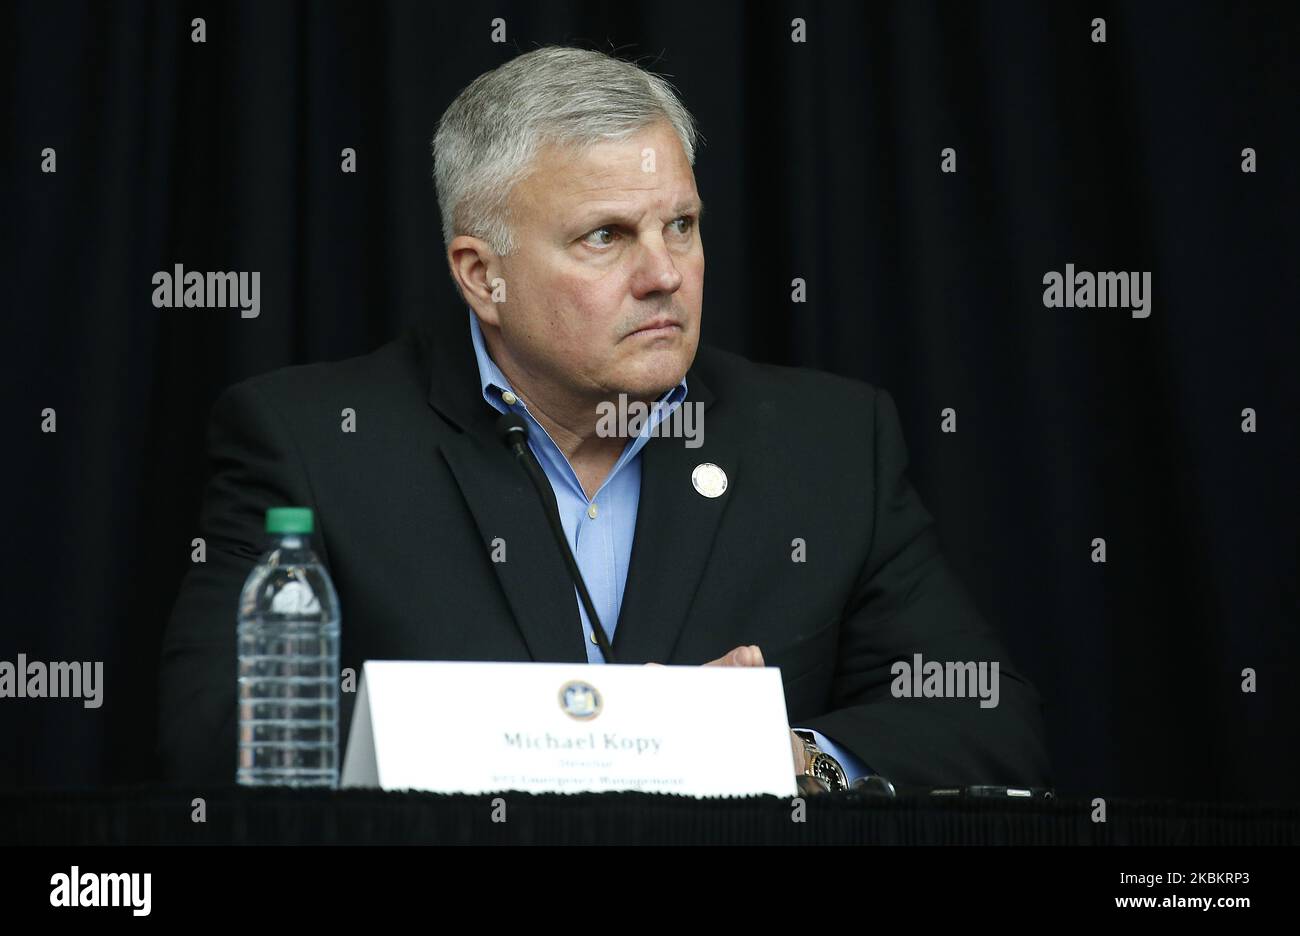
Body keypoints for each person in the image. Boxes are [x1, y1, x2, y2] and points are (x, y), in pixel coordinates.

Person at [159, 46, 1050, 792]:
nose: (665, 273)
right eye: (607, 236)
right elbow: (215, 736)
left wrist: (793, 759)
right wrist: (612, 742)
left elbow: (986, 716)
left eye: (683, 226)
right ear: (481, 275)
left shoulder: (826, 443)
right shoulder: (313, 441)